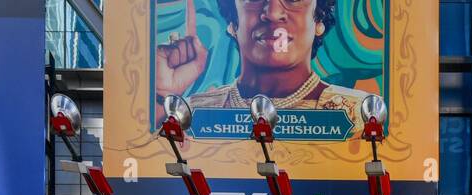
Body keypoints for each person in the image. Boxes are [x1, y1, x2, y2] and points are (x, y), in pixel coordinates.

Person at [156, 0, 367, 124]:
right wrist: (161, 94)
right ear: (233, 22)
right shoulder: (193, 114)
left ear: (319, 19)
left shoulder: (362, 114)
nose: (273, 13)